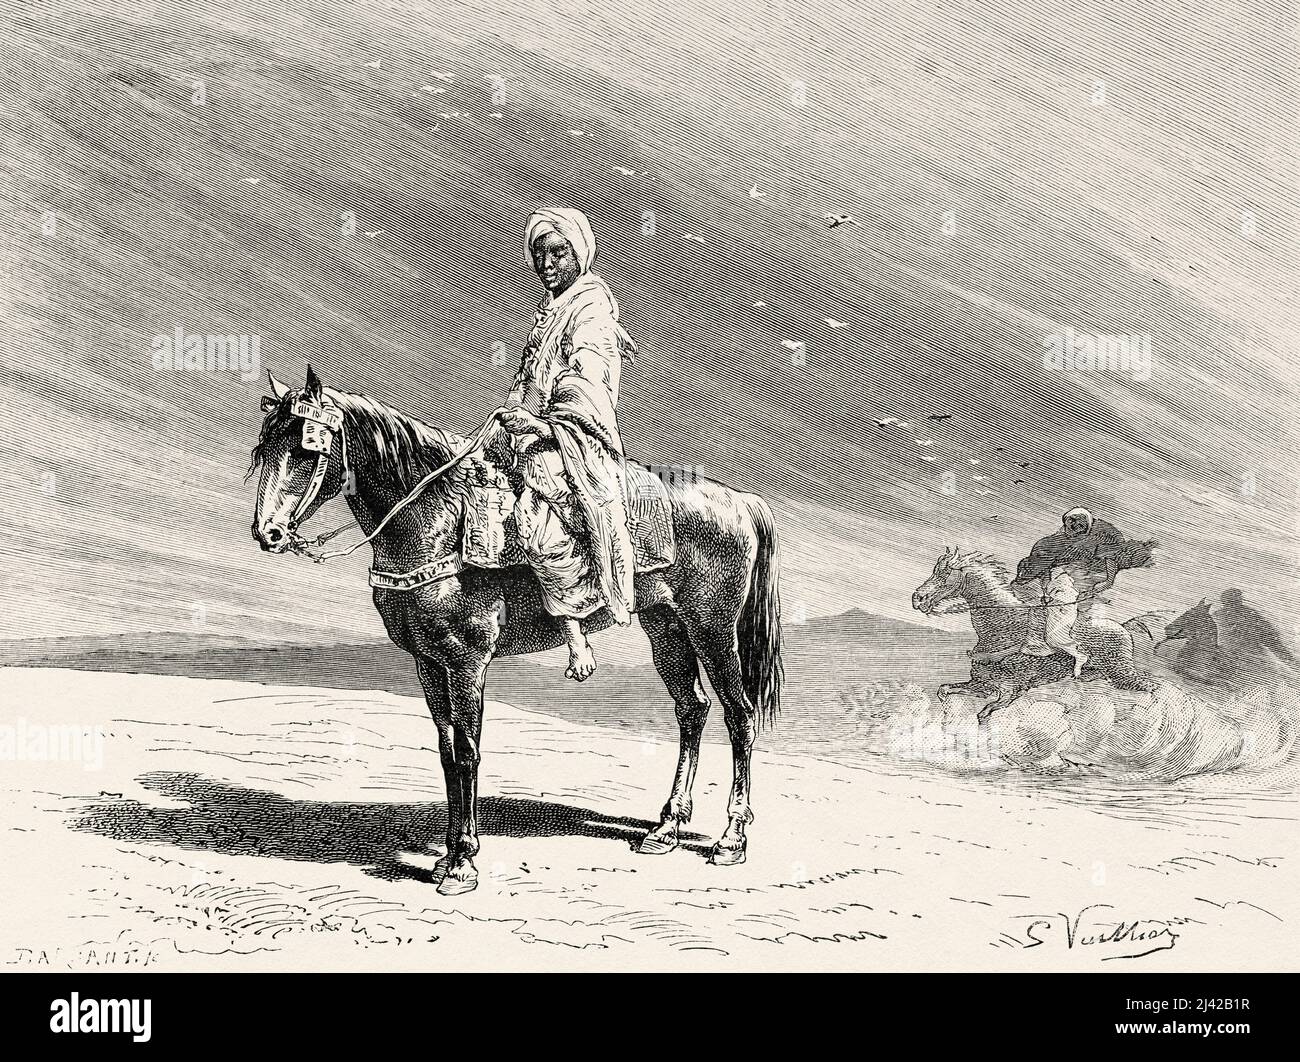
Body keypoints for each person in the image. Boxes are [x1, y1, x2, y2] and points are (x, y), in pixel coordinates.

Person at [489, 207, 639, 682]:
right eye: (539, 254)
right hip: (535, 426)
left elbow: (588, 381)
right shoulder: (550, 311)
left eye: (558, 253)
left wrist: (538, 425)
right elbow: (526, 377)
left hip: (577, 436)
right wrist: (512, 412)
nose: (547, 264)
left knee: (536, 517)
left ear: (580, 254)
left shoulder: (591, 309)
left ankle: (576, 636)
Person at [1013, 507, 1125, 655]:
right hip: (1054, 580)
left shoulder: (1102, 535)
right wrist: (1044, 590)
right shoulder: (1050, 543)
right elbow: (1043, 567)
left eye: (1081, 523)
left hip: (1079, 579)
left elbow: (1111, 555)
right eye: (1072, 521)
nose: (1075, 525)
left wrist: (1109, 580)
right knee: (1041, 610)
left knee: (1067, 615)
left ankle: (1071, 648)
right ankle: (1037, 645)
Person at [1036, 565, 1089, 676]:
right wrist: (1047, 601)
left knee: (1058, 636)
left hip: (1063, 615)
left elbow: (1066, 598)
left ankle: (1080, 656)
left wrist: (1052, 601)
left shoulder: (1063, 582)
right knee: (1051, 638)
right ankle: (1077, 654)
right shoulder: (1052, 582)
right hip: (1055, 615)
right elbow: (1051, 598)